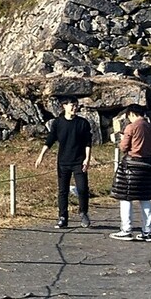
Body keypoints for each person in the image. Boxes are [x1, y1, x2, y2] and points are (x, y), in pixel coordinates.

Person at [35, 96, 93, 229]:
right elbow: (50, 140)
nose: (74, 107)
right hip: (63, 162)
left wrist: (87, 159)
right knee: (63, 191)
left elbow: (88, 142)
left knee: (83, 189)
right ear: (64, 106)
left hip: (79, 161)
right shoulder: (58, 123)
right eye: (71, 105)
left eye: (76, 105)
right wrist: (41, 156)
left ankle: (83, 213)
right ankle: (63, 217)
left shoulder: (83, 123)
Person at [111, 105, 151, 240]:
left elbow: (124, 146)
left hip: (132, 165)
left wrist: (121, 140)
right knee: (146, 198)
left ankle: (126, 229)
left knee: (126, 197)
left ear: (131, 114)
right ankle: (147, 231)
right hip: (148, 164)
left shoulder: (132, 127)